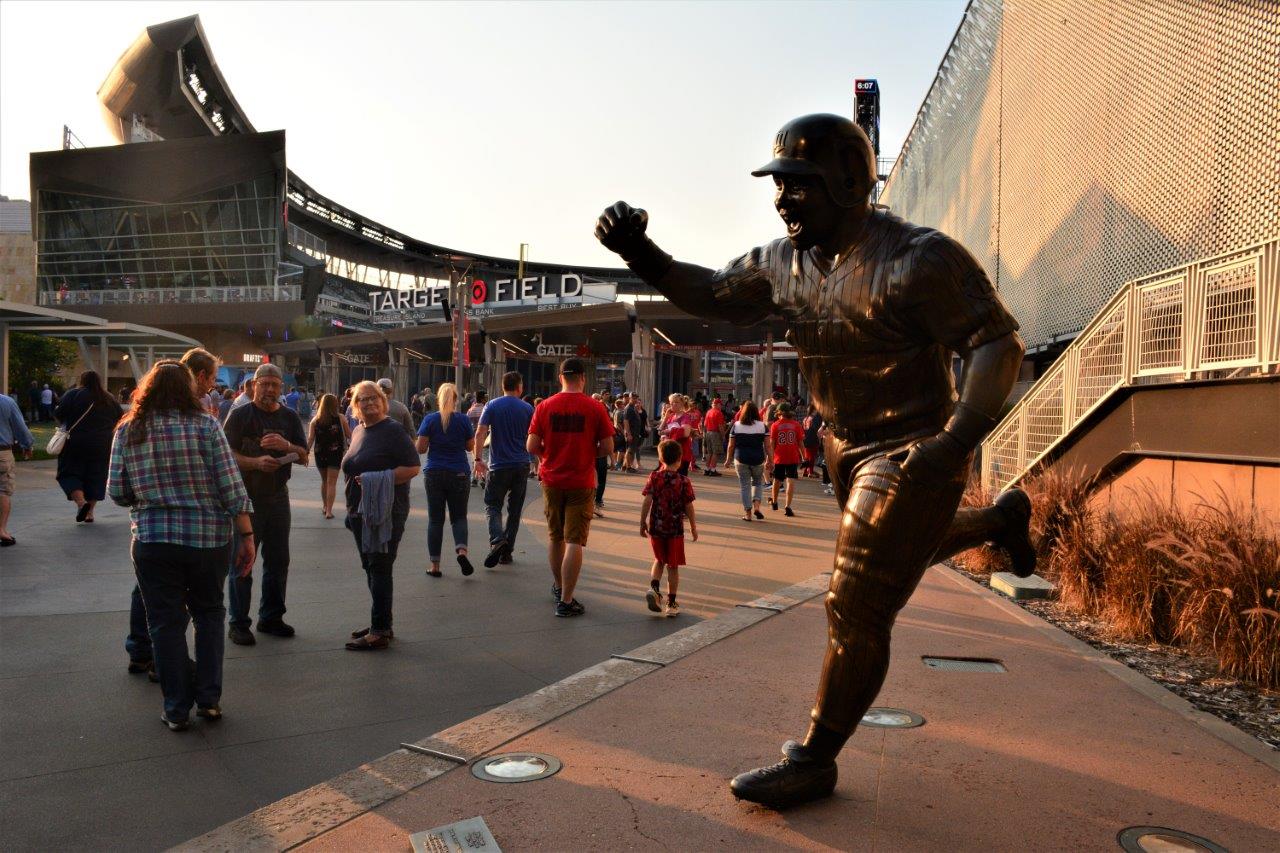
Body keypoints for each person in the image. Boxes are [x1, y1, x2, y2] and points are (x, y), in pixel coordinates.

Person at [595, 112, 1035, 807]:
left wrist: (953, 442)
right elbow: (711, 292)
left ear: (847, 181)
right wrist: (640, 252)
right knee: (898, 552)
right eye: (778, 185)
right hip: (841, 444)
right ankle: (999, 521)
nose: (782, 199)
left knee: (856, 598)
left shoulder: (920, 259)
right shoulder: (781, 263)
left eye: (798, 184)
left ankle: (815, 757)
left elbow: (996, 343)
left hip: (912, 447)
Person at [106, 360, 255, 730]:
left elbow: (117, 492)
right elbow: (231, 486)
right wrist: (247, 535)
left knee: (164, 623)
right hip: (208, 539)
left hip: (153, 539)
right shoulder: (206, 425)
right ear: (188, 388)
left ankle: (175, 709)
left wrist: (149, 497)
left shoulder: (129, 429)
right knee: (209, 614)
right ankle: (209, 700)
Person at [222, 363, 309, 646]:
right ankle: (238, 622)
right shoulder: (239, 415)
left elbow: (304, 456)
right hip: (245, 499)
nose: (270, 389)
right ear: (253, 385)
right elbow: (225, 456)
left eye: (275, 385)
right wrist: (255, 462)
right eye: (265, 384)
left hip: (278, 496)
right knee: (243, 560)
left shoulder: (290, 417)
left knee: (278, 559)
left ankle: (271, 617)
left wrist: (288, 447)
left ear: (282, 387)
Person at [526, 358, 615, 617]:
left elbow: (531, 445)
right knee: (574, 540)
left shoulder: (544, 406)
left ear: (560, 378)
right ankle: (566, 601)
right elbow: (608, 447)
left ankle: (558, 586)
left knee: (555, 537)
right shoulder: (595, 407)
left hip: (552, 480)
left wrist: (548, 455)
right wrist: (586, 453)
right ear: (583, 378)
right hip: (581, 481)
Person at [341, 380, 421, 650]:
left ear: (383, 400)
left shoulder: (393, 430)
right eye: (363, 399)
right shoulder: (358, 430)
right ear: (355, 405)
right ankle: (382, 621)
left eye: (374, 397)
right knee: (370, 567)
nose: (369, 402)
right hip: (360, 511)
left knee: (380, 567)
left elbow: (412, 467)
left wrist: (375, 479)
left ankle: (379, 630)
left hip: (385, 512)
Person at [474, 371, 534, 568]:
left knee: (492, 505)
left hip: (498, 465)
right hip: (521, 465)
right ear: (519, 387)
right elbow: (534, 436)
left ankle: (497, 538)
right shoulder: (527, 408)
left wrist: (477, 459)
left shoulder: (492, 405)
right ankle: (506, 553)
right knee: (515, 510)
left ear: (503, 386)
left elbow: (480, 432)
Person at [415, 382, 475, 577]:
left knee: (435, 520)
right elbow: (469, 446)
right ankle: (462, 552)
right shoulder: (463, 420)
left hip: (434, 472)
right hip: (459, 472)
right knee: (459, 517)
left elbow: (421, 448)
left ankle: (435, 566)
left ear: (438, 399)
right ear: (456, 400)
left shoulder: (430, 419)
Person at [53, 370, 123, 523]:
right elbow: (120, 417)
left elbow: (59, 413)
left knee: (68, 473)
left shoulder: (73, 394)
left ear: (82, 380)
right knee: (96, 476)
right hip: (103, 444)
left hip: (76, 442)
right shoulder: (108, 398)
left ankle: (81, 503)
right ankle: (89, 512)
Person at [639, 439, 698, 618]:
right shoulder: (684, 481)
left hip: (656, 527)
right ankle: (671, 603)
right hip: (675, 530)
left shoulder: (654, 477)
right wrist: (693, 527)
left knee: (659, 560)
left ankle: (654, 589)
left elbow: (647, 500)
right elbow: (689, 506)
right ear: (679, 459)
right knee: (673, 565)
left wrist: (642, 522)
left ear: (660, 458)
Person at [0, 391, 35, 547]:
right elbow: (20, 428)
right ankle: (1, 530)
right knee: (2, 491)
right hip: (2, 453)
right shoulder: (6, 402)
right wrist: (27, 445)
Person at [725, 400, 769, 522]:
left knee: (745, 486)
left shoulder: (736, 426)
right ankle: (757, 507)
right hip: (758, 459)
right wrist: (770, 460)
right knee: (757, 483)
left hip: (741, 459)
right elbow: (768, 445)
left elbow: (731, 445)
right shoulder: (762, 426)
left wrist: (728, 459)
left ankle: (748, 514)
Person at [308, 393, 351, 519]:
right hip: (335, 453)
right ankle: (329, 511)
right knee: (331, 482)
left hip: (320, 453)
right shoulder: (341, 418)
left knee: (324, 481)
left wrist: (305, 453)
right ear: (335, 404)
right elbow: (349, 435)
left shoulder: (315, 420)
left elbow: (310, 439)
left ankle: (325, 506)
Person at [768, 402, 804, 516]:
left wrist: (769, 459)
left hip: (779, 457)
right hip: (793, 456)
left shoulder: (775, 425)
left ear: (779, 413)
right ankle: (788, 506)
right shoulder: (796, 425)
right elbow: (800, 443)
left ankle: (774, 502)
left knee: (777, 479)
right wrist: (804, 457)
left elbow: (772, 444)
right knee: (790, 480)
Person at [659, 394, 696, 475]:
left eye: (676, 402)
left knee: (680, 477)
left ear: (682, 404)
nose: (673, 404)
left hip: (681, 453)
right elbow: (660, 431)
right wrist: (666, 418)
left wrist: (669, 431)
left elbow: (686, 433)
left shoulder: (685, 417)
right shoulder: (671, 416)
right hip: (669, 453)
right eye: (671, 402)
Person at [702, 397, 727, 476]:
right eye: (720, 405)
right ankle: (713, 470)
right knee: (715, 452)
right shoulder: (718, 413)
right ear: (717, 404)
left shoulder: (708, 412)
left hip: (708, 433)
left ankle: (707, 469)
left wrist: (704, 434)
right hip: (715, 433)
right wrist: (723, 435)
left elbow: (705, 425)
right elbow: (720, 426)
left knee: (709, 452)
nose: (721, 406)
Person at [623, 394, 648, 472]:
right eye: (633, 398)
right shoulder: (629, 408)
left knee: (631, 449)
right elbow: (626, 421)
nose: (635, 400)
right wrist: (629, 434)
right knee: (630, 450)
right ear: (630, 398)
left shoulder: (633, 407)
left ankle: (625, 466)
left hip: (635, 433)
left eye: (636, 398)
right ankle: (628, 467)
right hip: (631, 433)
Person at [802, 404, 824, 478]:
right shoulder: (815, 418)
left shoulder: (805, 418)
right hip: (813, 438)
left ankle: (806, 471)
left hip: (805, 438)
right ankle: (810, 472)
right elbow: (817, 429)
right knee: (812, 456)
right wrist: (820, 439)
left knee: (807, 456)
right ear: (815, 409)